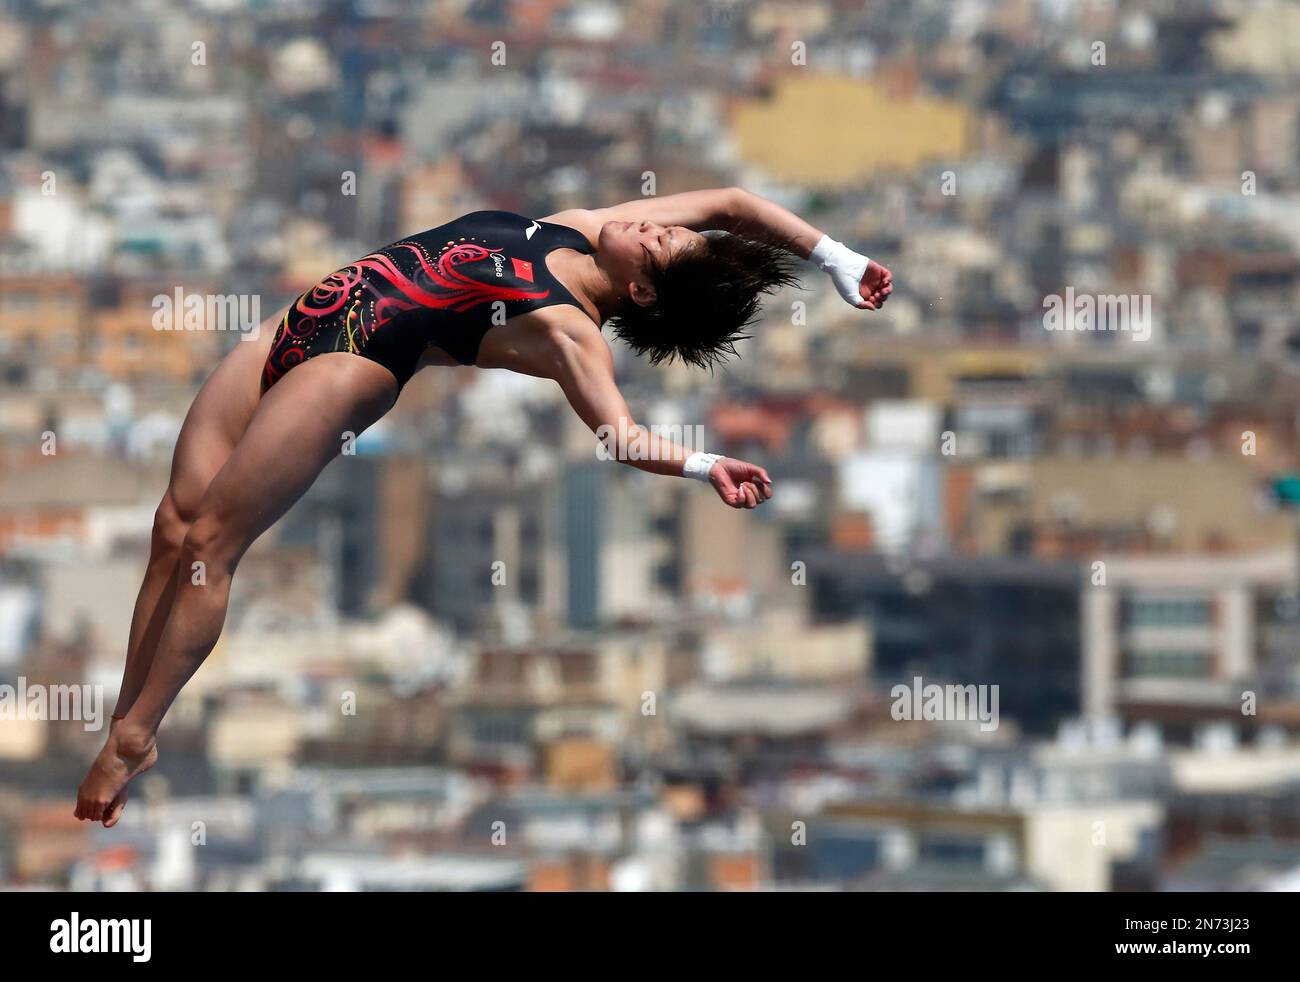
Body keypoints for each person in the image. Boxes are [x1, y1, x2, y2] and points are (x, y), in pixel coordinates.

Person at [74, 187, 892, 825]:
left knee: (211, 545)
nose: (651, 224)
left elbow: (621, 435)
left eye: (660, 242)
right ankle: (124, 722)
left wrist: (703, 463)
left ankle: (139, 733)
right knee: (171, 528)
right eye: (661, 228)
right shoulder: (584, 226)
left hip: (351, 364)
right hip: (296, 322)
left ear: (641, 290)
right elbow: (734, 207)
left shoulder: (570, 330)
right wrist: (835, 256)